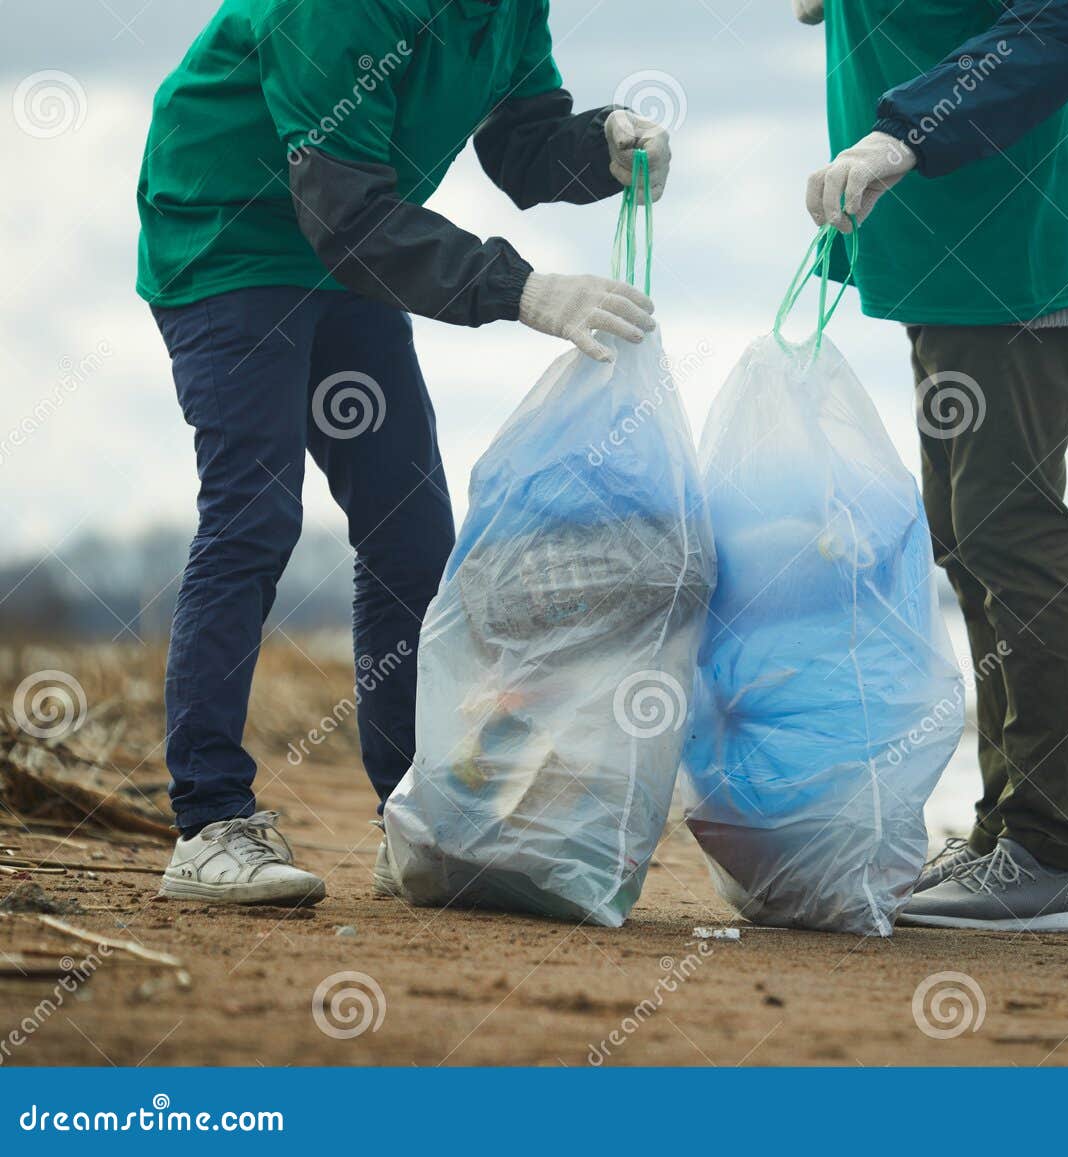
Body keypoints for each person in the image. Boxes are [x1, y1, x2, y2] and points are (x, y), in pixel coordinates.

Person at [137, 0, 669, 906]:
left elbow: (521, 142)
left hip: (349, 257)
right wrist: (523, 289)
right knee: (254, 515)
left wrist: (599, 145)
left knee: (411, 532)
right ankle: (209, 821)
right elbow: (343, 210)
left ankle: (414, 823)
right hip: (231, 241)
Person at [795, 0, 1068, 931]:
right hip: (936, 247)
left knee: (1007, 529)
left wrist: (904, 132)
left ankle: (1052, 853)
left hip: (1007, 237)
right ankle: (1004, 830)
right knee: (965, 536)